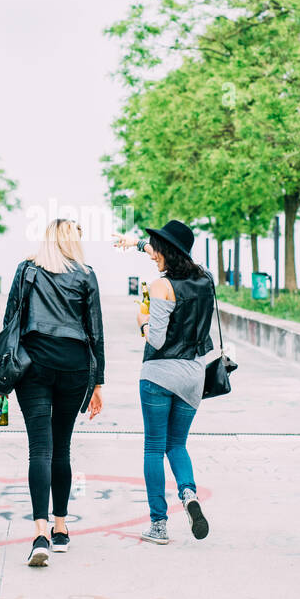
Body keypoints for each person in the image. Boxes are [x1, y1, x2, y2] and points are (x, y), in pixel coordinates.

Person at [4, 218, 105, 567]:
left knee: (40, 450)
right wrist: (98, 383)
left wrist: (3, 376)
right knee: (62, 447)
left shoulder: (27, 271)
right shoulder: (85, 274)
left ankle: (40, 534)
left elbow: (9, 324)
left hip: (33, 367)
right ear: (72, 241)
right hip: (75, 368)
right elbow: (96, 332)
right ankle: (62, 529)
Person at [114, 220, 213, 545]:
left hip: (159, 374)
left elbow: (156, 339)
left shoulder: (161, 287)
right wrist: (133, 244)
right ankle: (188, 494)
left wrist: (142, 322)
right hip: (193, 375)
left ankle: (159, 524)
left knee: (154, 448)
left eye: (155, 247)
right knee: (178, 444)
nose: (151, 252)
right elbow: (158, 252)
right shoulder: (206, 280)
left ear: (167, 251)